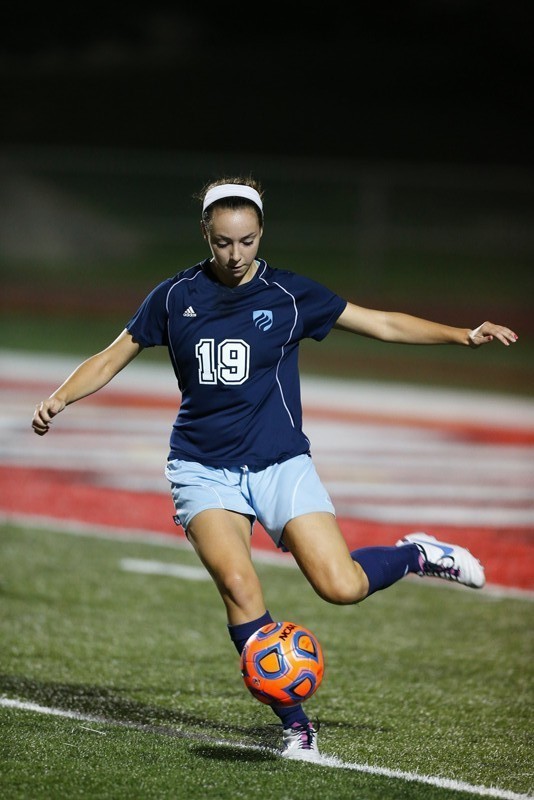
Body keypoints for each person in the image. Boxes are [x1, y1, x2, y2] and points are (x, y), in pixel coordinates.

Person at [32, 176, 518, 763]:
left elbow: (380, 323)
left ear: (262, 233)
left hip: (279, 462)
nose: (234, 256)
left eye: (246, 241)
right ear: (205, 236)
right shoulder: (173, 296)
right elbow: (114, 354)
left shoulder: (289, 296)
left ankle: (416, 554)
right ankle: (296, 725)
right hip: (201, 468)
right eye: (222, 243)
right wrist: (60, 398)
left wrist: (462, 335)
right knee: (239, 587)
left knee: (341, 586)